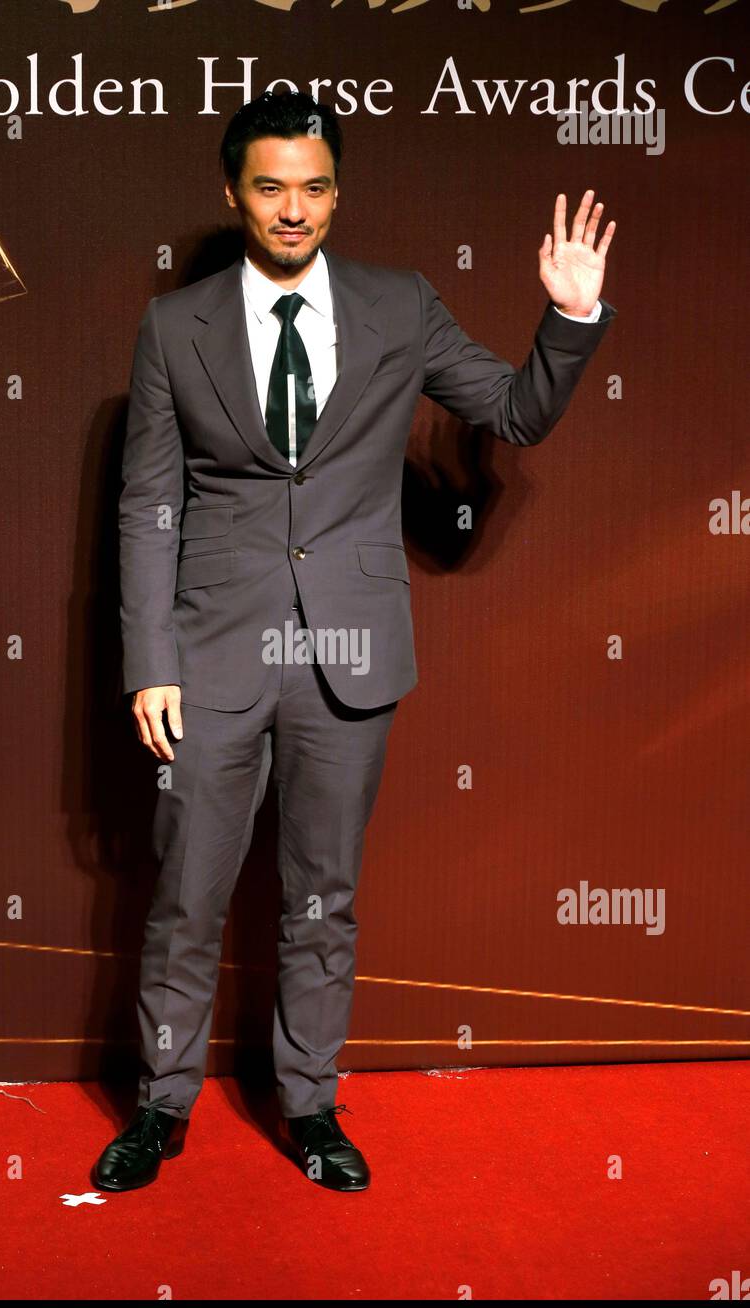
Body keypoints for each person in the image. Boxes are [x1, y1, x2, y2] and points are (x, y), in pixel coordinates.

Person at [92, 88, 617, 1194]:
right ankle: (162, 1103)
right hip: (211, 658)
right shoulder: (171, 325)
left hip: (351, 648)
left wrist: (568, 320)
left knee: (321, 893)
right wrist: (150, 659)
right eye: (272, 187)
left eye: (316, 186)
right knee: (188, 890)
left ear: (338, 191)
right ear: (233, 191)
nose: (295, 210)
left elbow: (513, 411)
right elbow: (147, 505)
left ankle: (313, 1103)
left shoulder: (399, 305)